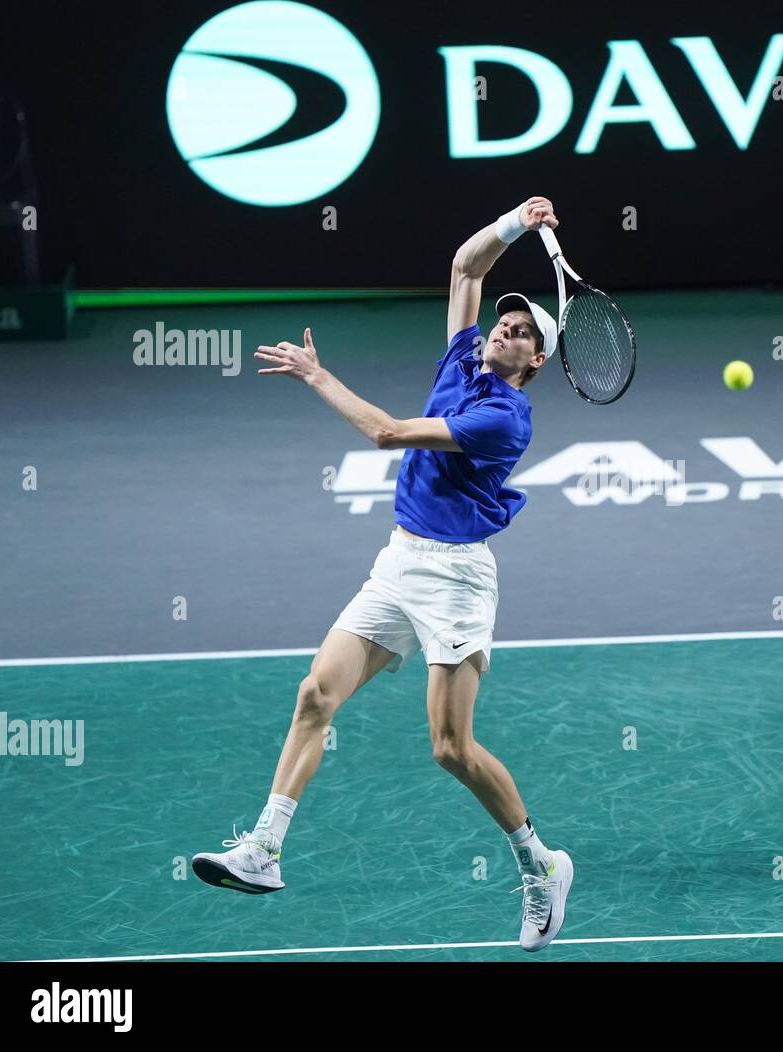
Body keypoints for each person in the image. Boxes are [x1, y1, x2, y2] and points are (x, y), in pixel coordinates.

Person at [190, 196, 574, 952]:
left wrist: (314, 375)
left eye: (525, 331)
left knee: (450, 748)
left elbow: (388, 432)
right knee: (314, 694)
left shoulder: (506, 419)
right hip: (399, 560)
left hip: (457, 579)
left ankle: (540, 864)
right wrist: (515, 223)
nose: (507, 326)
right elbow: (467, 266)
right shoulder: (464, 355)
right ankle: (264, 851)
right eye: (508, 318)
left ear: (534, 362)